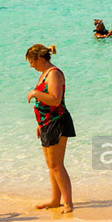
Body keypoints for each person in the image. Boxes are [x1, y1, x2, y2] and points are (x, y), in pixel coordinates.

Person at [26, 43, 74, 213]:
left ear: (39, 58)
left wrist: (35, 93)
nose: (31, 66)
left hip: (57, 122)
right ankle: (55, 200)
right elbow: (44, 104)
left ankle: (68, 204)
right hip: (47, 123)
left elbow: (55, 99)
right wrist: (39, 124)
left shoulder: (54, 74)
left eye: (31, 62)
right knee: (51, 165)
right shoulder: (44, 74)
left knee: (57, 165)